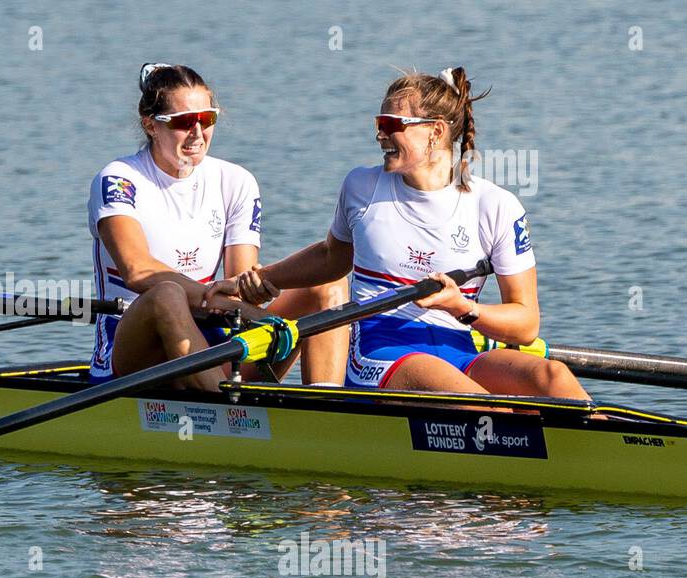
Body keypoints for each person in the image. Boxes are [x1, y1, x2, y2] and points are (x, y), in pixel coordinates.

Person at [246, 68, 587, 397]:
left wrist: (462, 308)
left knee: (551, 376)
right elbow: (330, 259)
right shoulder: (362, 187)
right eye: (379, 124)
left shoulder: (496, 205)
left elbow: (526, 323)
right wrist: (261, 278)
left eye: (391, 125)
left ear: (436, 132)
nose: (379, 135)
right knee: (465, 392)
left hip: (460, 350)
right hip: (378, 353)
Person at [88, 63, 349, 392]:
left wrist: (253, 288)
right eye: (184, 122)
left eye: (207, 119)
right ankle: (231, 415)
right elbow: (137, 271)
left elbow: (237, 283)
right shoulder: (119, 180)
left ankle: (323, 410)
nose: (198, 133)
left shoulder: (235, 182)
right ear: (150, 125)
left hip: (217, 335)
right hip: (135, 351)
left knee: (328, 285)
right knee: (167, 295)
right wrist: (232, 306)